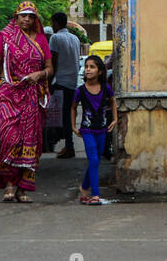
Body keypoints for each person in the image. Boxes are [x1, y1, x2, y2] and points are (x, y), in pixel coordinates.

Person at [0, 1, 53, 202]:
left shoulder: (40, 39)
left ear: (35, 19)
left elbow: (50, 68)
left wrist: (40, 74)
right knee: (8, 137)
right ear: (16, 17)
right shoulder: (4, 38)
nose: (27, 20)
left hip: (31, 94)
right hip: (8, 93)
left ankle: (22, 188)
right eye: (23, 15)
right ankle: (9, 183)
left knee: (29, 140)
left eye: (31, 16)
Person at [72, 55, 117, 204]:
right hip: (87, 130)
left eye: (92, 67)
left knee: (95, 161)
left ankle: (84, 187)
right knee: (93, 159)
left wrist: (115, 119)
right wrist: (73, 126)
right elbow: (73, 108)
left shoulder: (106, 88)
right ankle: (95, 195)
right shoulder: (80, 91)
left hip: (102, 130)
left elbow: (113, 101)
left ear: (99, 71)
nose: (88, 69)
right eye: (86, 67)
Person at [49, 12, 81, 158]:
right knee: (67, 114)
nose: (51, 26)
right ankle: (68, 145)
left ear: (56, 23)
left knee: (58, 116)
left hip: (60, 81)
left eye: (52, 23)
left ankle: (67, 146)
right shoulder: (75, 38)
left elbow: (53, 62)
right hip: (73, 82)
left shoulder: (55, 38)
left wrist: (49, 82)